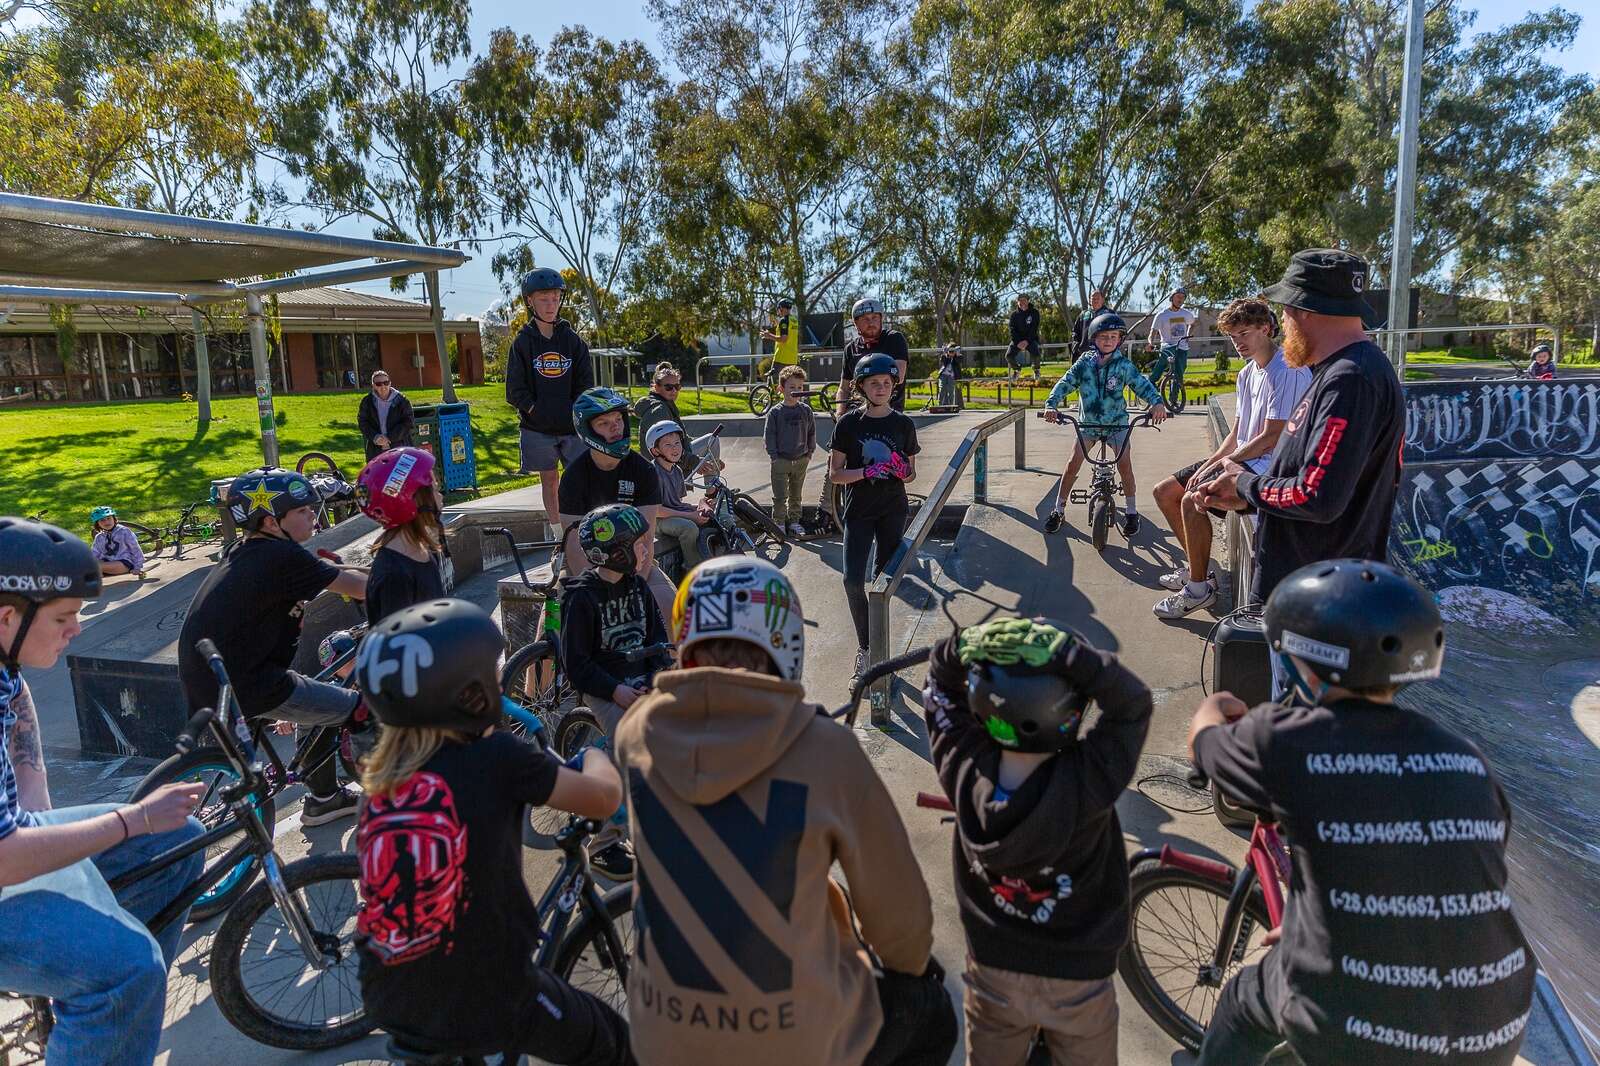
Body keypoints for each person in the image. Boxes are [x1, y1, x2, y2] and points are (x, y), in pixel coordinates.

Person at [1188, 559, 1534, 1066]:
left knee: (1244, 1002)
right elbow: (1458, 868)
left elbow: (1206, 746)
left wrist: (1217, 708)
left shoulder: (1285, 739)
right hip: (1496, 1021)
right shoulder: (1465, 759)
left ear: (1303, 663)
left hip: (1360, 1030)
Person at [617, 556, 956, 1066]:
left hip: (660, 1035)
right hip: (795, 1044)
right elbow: (900, 926)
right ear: (788, 643)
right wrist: (909, 966)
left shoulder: (636, 733)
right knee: (933, 1015)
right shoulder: (826, 751)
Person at [352, 598, 635, 1065]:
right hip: (489, 993)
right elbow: (602, 799)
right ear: (471, 691)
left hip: (386, 989)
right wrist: (598, 758)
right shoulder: (500, 758)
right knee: (613, 1045)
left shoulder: (381, 782)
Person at [0, 517, 207, 1066]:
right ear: (6, 618)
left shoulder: (3, 657)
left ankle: (101, 1020)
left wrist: (40, 809)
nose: (77, 629)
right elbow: (4, 860)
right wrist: (133, 820)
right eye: (64, 617)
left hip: (11, 844)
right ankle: (109, 996)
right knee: (128, 970)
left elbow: (18, 705)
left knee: (181, 840)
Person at [923, 616, 1153, 1065]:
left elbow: (938, 687)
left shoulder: (964, 768)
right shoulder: (1090, 780)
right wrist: (1071, 653)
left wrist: (963, 644)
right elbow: (1132, 704)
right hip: (1080, 980)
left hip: (994, 973)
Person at [1193, 249, 1402, 695]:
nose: (1284, 321)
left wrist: (1246, 484)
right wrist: (1247, 494)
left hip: (1319, 605)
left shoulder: (1350, 380)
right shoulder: (1342, 373)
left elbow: (1317, 496)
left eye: (1286, 311)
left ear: (1302, 312)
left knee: (1301, 730)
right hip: (1314, 593)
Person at [178, 467, 370, 826]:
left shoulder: (246, 550)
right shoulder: (283, 558)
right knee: (362, 710)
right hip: (254, 683)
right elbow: (362, 588)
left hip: (212, 681)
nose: (313, 514)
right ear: (270, 522)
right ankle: (388, 802)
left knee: (322, 699)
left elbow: (333, 575)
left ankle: (325, 798)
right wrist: (397, 575)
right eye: (302, 511)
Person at [1150, 298, 1309, 619]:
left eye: (1244, 334)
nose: (1238, 343)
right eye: (1233, 337)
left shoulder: (1288, 370)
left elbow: (1272, 437)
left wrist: (1223, 465)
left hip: (1273, 468)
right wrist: (1212, 462)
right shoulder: (1247, 373)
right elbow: (1237, 432)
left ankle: (1198, 591)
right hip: (1245, 458)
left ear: (1266, 329)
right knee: (1165, 491)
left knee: (1192, 499)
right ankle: (1200, 572)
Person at [559, 503, 673, 881]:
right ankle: (604, 842)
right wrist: (617, 689)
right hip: (605, 689)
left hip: (640, 682)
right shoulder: (582, 597)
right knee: (629, 743)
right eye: (640, 545)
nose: (647, 549)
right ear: (616, 551)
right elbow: (577, 665)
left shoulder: (639, 586)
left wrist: (657, 675)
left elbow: (657, 640)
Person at [558, 388, 676, 631]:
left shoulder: (643, 471)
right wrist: (599, 593)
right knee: (552, 624)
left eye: (618, 419)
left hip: (635, 560)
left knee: (672, 610)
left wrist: (629, 590)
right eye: (604, 422)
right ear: (587, 429)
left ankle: (670, 668)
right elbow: (573, 544)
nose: (616, 427)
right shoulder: (573, 477)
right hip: (584, 562)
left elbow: (645, 538)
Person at [831, 353, 919, 679]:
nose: (880, 388)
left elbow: (911, 474)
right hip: (858, 511)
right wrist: (868, 471)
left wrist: (901, 470)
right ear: (862, 387)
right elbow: (835, 474)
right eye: (874, 383)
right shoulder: (849, 425)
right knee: (852, 580)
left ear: (894, 386)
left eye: (886, 383)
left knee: (882, 585)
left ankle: (879, 655)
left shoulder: (903, 424)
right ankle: (867, 650)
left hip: (892, 510)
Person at [1042, 312, 1169, 536]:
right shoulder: (1084, 363)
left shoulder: (1123, 365)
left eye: (1113, 336)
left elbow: (1142, 385)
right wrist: (1051, 405)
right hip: (1088, 425)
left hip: (1117, 425)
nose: (1108, 340)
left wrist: (1157, 402)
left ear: (1119, 340)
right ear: (1093, 339)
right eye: (1103, 337)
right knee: (1073, 463)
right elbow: (1066, 382)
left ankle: (1131, 511)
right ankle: (1058, 509)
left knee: (1125, 466)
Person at [507, 267, 595, 532]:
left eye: (556, 298)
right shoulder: (522, 343)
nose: (551, 304)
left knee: (580, 479)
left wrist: (574, 411)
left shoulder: (573, 342)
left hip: (571, 427)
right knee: (549, 480)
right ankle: (559, 535)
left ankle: (583, 529)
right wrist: (536, 410)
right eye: (544, 299)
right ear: (530, 301)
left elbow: (585, 385)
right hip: (537, 428)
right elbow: (515, 390)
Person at [358, 447, 448, 625]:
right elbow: (398, 646)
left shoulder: (423, 551)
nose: (440, 496)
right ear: (411, 501)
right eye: (435, 489)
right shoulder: (394, 575)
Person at [635, 363, 720, 477]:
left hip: (673, 458)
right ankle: (712, 491)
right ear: (656, 387)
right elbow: (667, 449)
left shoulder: (666, 405)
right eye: (669, 387)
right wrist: (695, 462)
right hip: (664, 467)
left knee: (711, 439)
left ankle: (712, 489)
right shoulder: (659, 410)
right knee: (712, 440)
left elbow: (682, 440)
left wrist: (712, 460)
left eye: (677, 386)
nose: (674, 390)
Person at [645, 421, 708, 574]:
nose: (675, 448)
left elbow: (676, 503)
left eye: (677, 443)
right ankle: (692, 570)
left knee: (710, 516)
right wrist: (691, 516)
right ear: (655, 450)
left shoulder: (677, 470)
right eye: (667, 445)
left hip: (669, 515)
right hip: (656, 520)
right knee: (689, 528)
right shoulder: (652, 473)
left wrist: (699, 506)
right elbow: (657, 511)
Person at [765, 365, 816, 536]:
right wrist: (774, 456)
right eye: (792, 387)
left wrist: (809, 453)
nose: (796, 390)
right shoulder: (775, 413)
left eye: (800, 387)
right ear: (781, 388)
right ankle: (779, 523)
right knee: (780, 496)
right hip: (781, 460)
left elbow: (811, 432)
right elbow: (769, 435)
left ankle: (794, 521)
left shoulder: (806, 410)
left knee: (796, 495)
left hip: (801, 459)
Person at [836, 298, 910, 415]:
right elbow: (844, 388)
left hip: (889, 411)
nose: (871, 323)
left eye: (874, 318)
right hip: (857, 412)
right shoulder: (850, 349)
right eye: (865, 319)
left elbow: (898, 377)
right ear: (856, 323)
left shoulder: (894, 339)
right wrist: (839, 414)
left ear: (881, 319)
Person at [1145, 288, 1198, 402]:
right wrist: (1150, 343)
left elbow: (1193, 324)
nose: (1181, 299)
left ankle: (1173, 399)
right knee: (1168, 354)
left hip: (1182, 346)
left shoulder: (1186, 314)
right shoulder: (1162, 315)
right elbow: (1153, 332)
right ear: (1172, 298)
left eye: (1183, 297)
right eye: (1178, 296)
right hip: (1167, 345)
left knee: (1179, 372)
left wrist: (1188, 335)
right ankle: (1152, 381)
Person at [358, 370, 416, 461]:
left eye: (386, 382)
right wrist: (375, 437)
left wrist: (389, 437)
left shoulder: (402, 400)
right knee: (378, 475)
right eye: (378, 384)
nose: (383, 386)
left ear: (390, 383)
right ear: (373, 385)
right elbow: (362, 422)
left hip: (400, 448)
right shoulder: (367, 401)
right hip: (375, 450)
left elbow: (409, 422)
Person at [89, 505, 146, 577]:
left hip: (124, 563)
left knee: (96, 567)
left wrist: (138, 567)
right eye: (102, 520)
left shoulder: (124, 531)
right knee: (89, 564)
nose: (106, 522)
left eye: (109, 518)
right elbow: (94, 553)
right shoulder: (99, 537)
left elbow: (135, 549)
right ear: (98, 524)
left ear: (114, 519)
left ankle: (98, 580)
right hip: (108, 562)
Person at [761, 298, 802, 383]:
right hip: (793, 357)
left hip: (781, 357)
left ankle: (774, 396)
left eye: (778, 308)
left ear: (781, 308)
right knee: (789, 383)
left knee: (772, 381)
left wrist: (769, 336)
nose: (778, 311)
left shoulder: (784, 321)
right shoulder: (794, 320)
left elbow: (783, 339)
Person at [1006, 294, 1042, 383]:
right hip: (1017, 340)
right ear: (1017, 302)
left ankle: (1036, 370)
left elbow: (1034, 328)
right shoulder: (1014, 315)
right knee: (1008, 356)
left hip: (1030, 339)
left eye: (1024, 300)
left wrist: (1027, 341)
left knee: (1036, 354)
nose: (1022, 302)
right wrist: (1018, 342)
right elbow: (1012, 329)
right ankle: (1017, 370)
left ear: (1028, 301)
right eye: (1020, 300)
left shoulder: (1034, 313)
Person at [1071, 290, 1112, 354]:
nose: (1095, 300)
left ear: (1102, 300)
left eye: (1098, 298)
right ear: (1090, 300)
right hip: (1084, 353)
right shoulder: (1083, 314)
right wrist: (1077, 346)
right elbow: (1075, 332)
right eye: (1093, 298)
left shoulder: (1110, 314)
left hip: (1103, 354)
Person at [937, 342, 964, 409]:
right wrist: (945, 353)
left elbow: (959, 361)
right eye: (950, 351)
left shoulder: (957, 357)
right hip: (943, 375)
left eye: (953, 351)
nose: (951, 353)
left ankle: (951, 407)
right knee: (942, 389)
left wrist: (957, 353)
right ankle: (939, 405)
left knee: (951, 391)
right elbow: (942, 360)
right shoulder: (946, 357)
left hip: (951, 376)